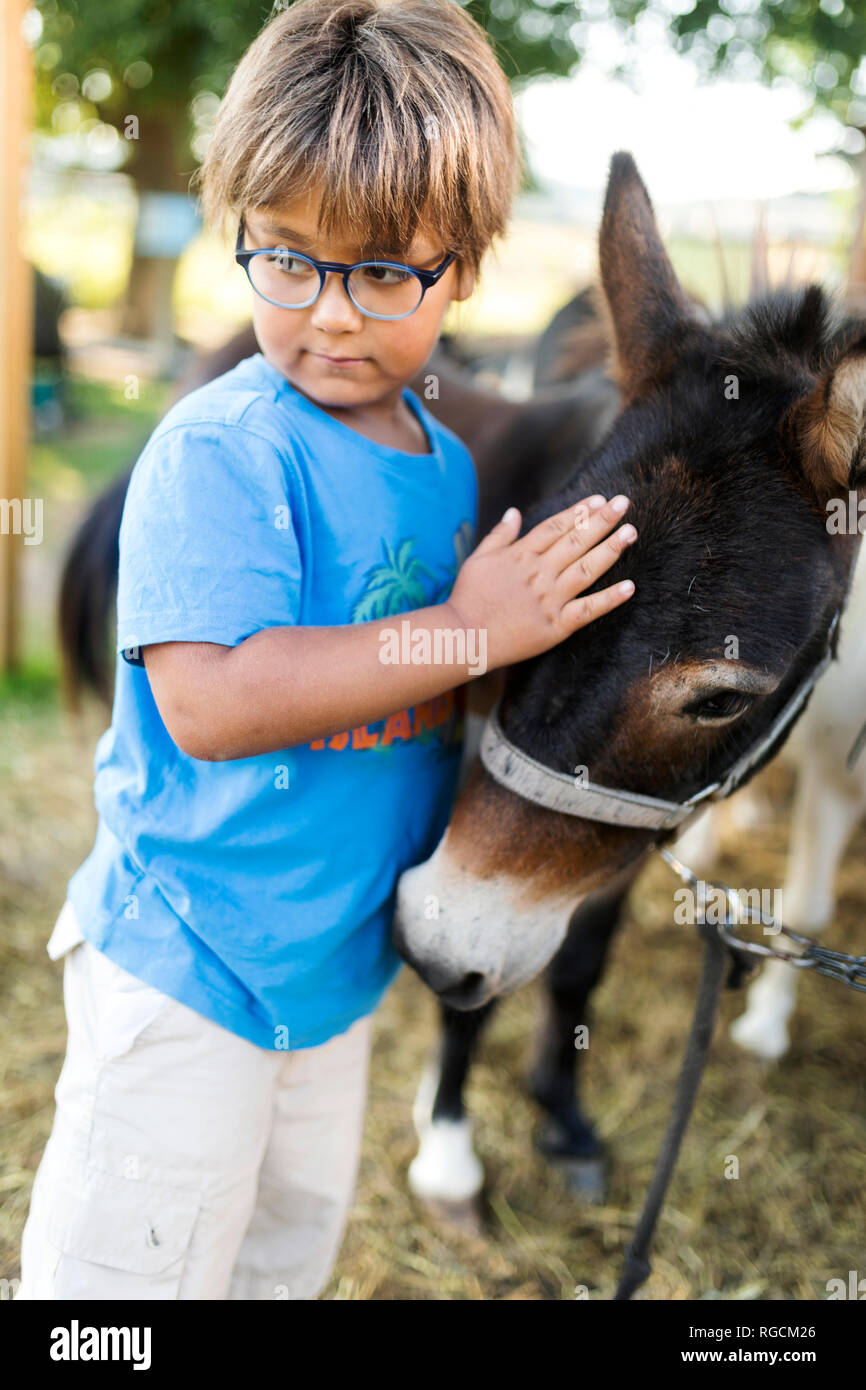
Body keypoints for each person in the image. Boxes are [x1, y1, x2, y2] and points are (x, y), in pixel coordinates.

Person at [17, 0, 636, 1300]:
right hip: (193, 964)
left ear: (463, 270)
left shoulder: (443, 462)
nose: (328, 316)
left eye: (380, 272)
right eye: (285, 259)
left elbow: (414, 674)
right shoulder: (222, 448)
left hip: (333, 973)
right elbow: (213, 700)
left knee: (280, 1259)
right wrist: (473, 623)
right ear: (240, 229)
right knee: (125, 1289)